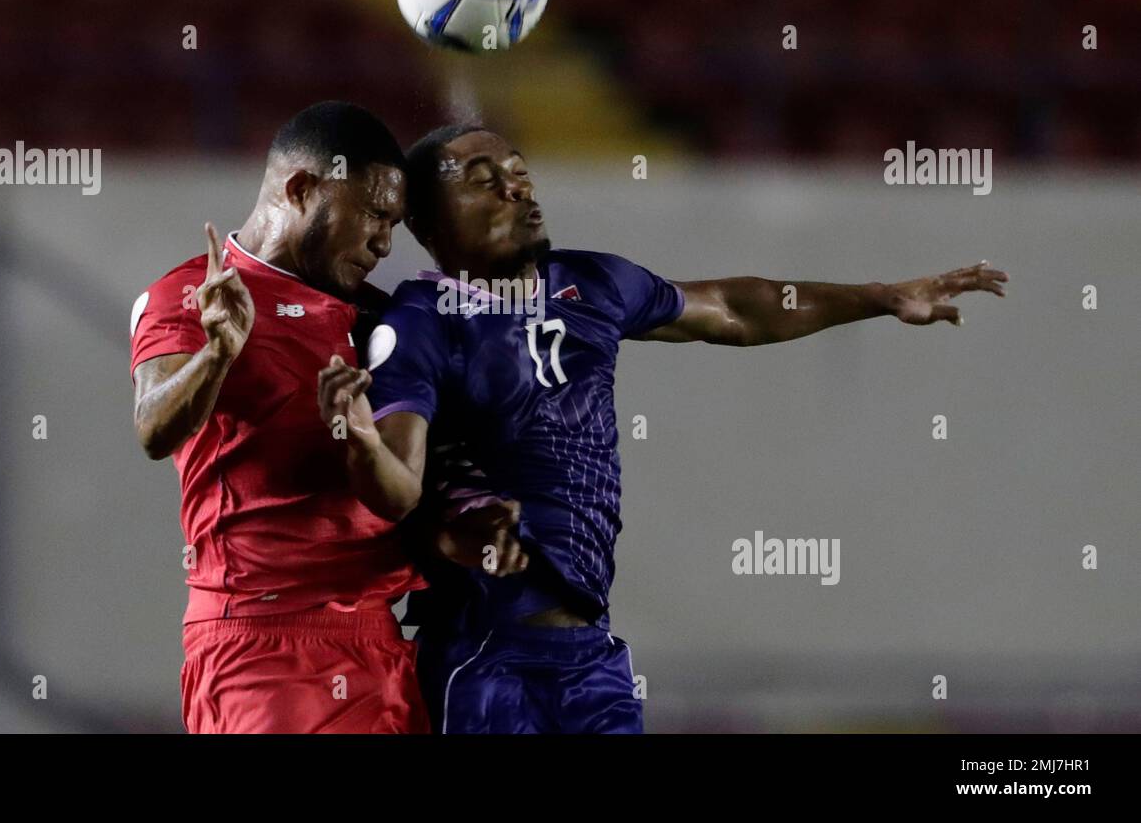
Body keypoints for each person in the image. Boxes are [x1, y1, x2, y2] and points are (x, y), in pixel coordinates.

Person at [316, 124, 1009, 733]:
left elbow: (736, 308)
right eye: (482, 180)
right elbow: (399, 484)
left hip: (591, 657)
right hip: (486, 657)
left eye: (520, 173)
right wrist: (373, 452)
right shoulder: (421, 321)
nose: (516, 189)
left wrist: (884, 297)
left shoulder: (592, 284)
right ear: (428, 224)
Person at [130, 101, 428, 733]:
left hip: (382, 640)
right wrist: (217, 355)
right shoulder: (190, 296)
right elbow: (153, 429)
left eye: (394, 224)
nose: (384, 243)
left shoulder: (380, 317)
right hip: (263, 645)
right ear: (300, 189)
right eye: (373, 214)